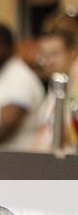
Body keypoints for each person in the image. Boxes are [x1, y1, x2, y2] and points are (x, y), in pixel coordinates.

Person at [32, 18, 78, 151]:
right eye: (44, 56)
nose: (48, 62)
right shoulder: (55, 86)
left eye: (55, 54)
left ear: (73, 52)